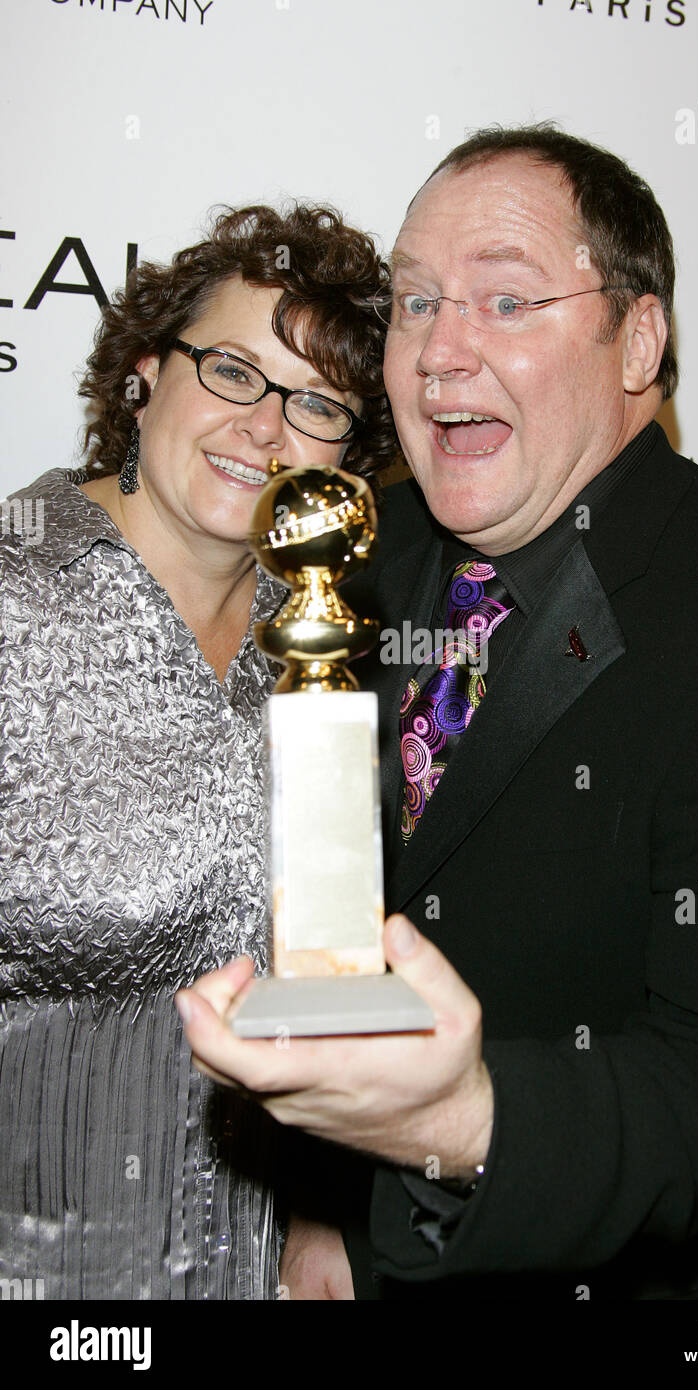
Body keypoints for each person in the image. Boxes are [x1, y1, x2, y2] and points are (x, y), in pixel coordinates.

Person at [178, 126, 698, 1301]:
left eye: (505, 301)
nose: (441, 351)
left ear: (636, 340)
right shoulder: (360, 554)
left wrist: (461, 1124)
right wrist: (334, 1217)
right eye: (413, 303)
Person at [0, 202, 394, 1299]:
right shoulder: (11, 596)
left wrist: (326, 1216)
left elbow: (326, 987)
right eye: (231, 371)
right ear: (142, 373)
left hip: (252, 1271)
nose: (265, 429)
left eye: (314, 402)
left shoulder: (324, 646)